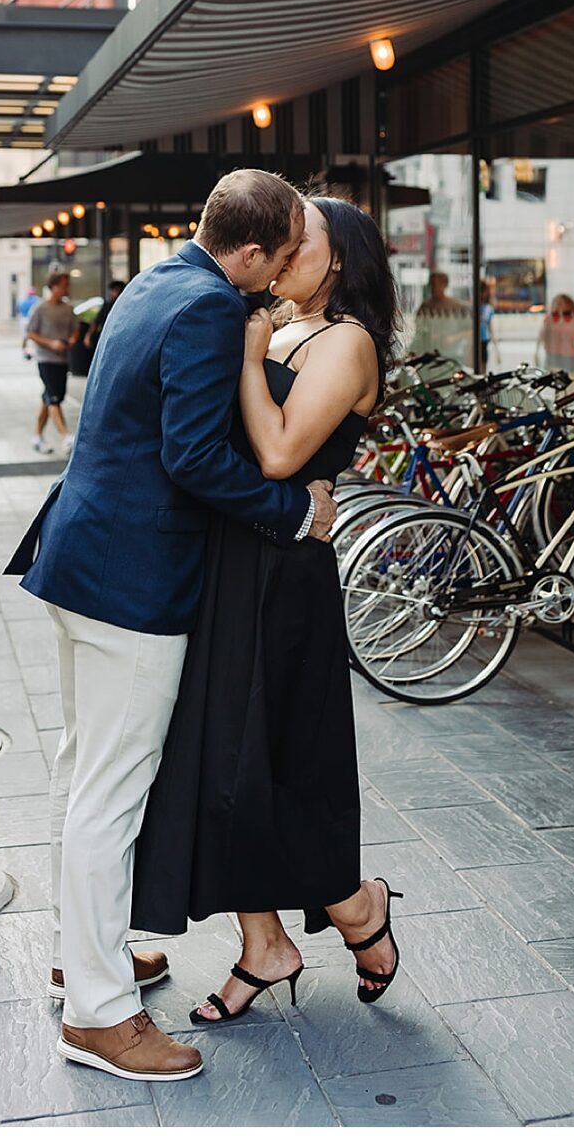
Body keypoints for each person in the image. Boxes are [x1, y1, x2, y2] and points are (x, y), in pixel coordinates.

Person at [3, 171, 338, 1085]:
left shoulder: (156, 281)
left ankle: (88, 958)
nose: (284, 275)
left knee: (85, 776)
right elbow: (191, 457)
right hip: (133, 582)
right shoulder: (207, 309)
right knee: (110, 793)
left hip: (80, 557)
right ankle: (100, 1016)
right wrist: (289, 512)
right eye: (286, 255)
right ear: (255, 253)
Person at [132, 194, 405, 1023]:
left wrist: (249, 359)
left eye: (303, 241)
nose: (285, 252)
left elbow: (281, 449)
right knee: (222, 758)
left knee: (278, 759)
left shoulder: (345, 341)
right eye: (282, 241)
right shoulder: (271, 320)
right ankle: (264, 942)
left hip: (285, 574)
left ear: (341, 259)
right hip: (234, 554)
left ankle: (355, 905)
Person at [26, 272, 81, 454]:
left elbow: (75, 329)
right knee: (54, 398)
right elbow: (31, 333)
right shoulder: (40, 309)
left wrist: (72, 340)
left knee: (49, 397)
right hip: (45, 359)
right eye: (65, 285)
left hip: (63, 359)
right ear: (54, 287)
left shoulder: (68, 309)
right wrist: (51, 343)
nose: (67, 288)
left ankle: (37, 436)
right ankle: (66, 436)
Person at [536, 293, 574, 375]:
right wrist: (537, 349)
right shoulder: (549, 319)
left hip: (569, 355)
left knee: (571, 380)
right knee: (552, 378)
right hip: (552, 354)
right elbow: (542, 334)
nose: (558, 305)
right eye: (556, 303)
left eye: (561, 303)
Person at [84, 280, 126, 353]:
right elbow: (97, 321)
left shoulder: (125, 305)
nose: (113, 293)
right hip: (107, 337)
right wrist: (89, 335)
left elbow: (96, 322)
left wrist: (88, 336)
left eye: (115, 290)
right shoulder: (108, 305)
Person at [478, 279, 499, 371]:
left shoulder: (488, 308)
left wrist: (497, 351)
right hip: (473, 341)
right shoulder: (471, 307)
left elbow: (491, 329)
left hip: (483, 340)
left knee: (483, 367)